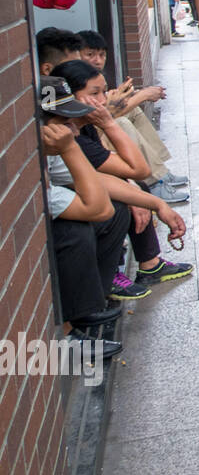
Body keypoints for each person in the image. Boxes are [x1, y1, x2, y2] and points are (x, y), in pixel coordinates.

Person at [49, 60, 193, 300]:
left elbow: (123, 173)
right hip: (71, 215)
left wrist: (155, 203)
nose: (104, 100)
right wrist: (107, 122)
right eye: (94, 93)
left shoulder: (80, 127)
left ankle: (149, 265)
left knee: (134, 189)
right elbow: (136, 168)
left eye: (104, 91)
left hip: (85, 194)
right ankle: (104, 287)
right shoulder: (67, 133)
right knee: (116, 208)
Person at [40, 76, 127, 356]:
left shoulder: (53, 151)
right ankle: (65, 337)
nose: (74, 132)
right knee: (74, 231)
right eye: (65, 124)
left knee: (117, 212)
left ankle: (84, 307)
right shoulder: (43, 157)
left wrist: (154, 204)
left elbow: (103, 188)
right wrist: (69, 147)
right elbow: (98, 207)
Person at [76, 30, 189, 204]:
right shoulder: (72, 80)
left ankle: (160, 171)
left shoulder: (90, 77)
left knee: (132, 111)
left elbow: (105, 109)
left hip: (92, 131)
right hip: (88, 140)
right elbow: (103, 116)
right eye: (90, 55)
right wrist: (141, 96)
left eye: (101, 55)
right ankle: (152, 183)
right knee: (121, 122)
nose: (97, 60)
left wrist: (122, 96)